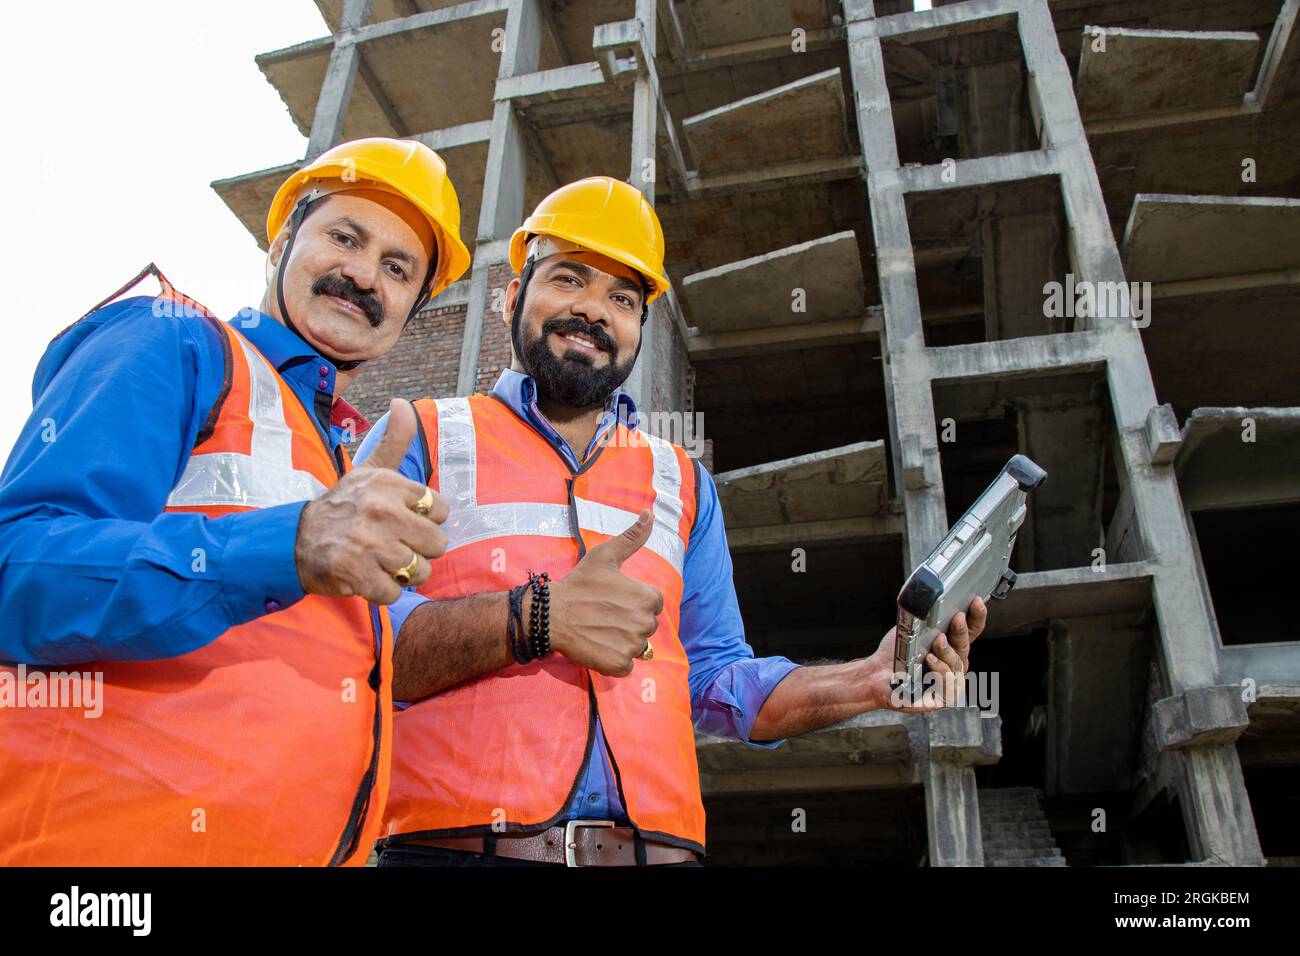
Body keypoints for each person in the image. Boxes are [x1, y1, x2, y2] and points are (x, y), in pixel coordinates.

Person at [357, 176, 988, 867]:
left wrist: (868, 680)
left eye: (622, 299)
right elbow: (357, 654)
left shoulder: (682, 482)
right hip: (455, 852)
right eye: (570, 279)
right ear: (513, 297)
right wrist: (534, 618)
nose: (593, 310)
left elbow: (717, 680)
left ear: (636, 331)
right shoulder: (419, 437)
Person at [0, 137, 470, 865]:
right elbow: (17, 568)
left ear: (412, 307)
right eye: (344, 237)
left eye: (397, 268)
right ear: (280, 240)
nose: (362, 274)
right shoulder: (176, 342)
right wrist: (285, 546)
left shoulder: (340, 457)